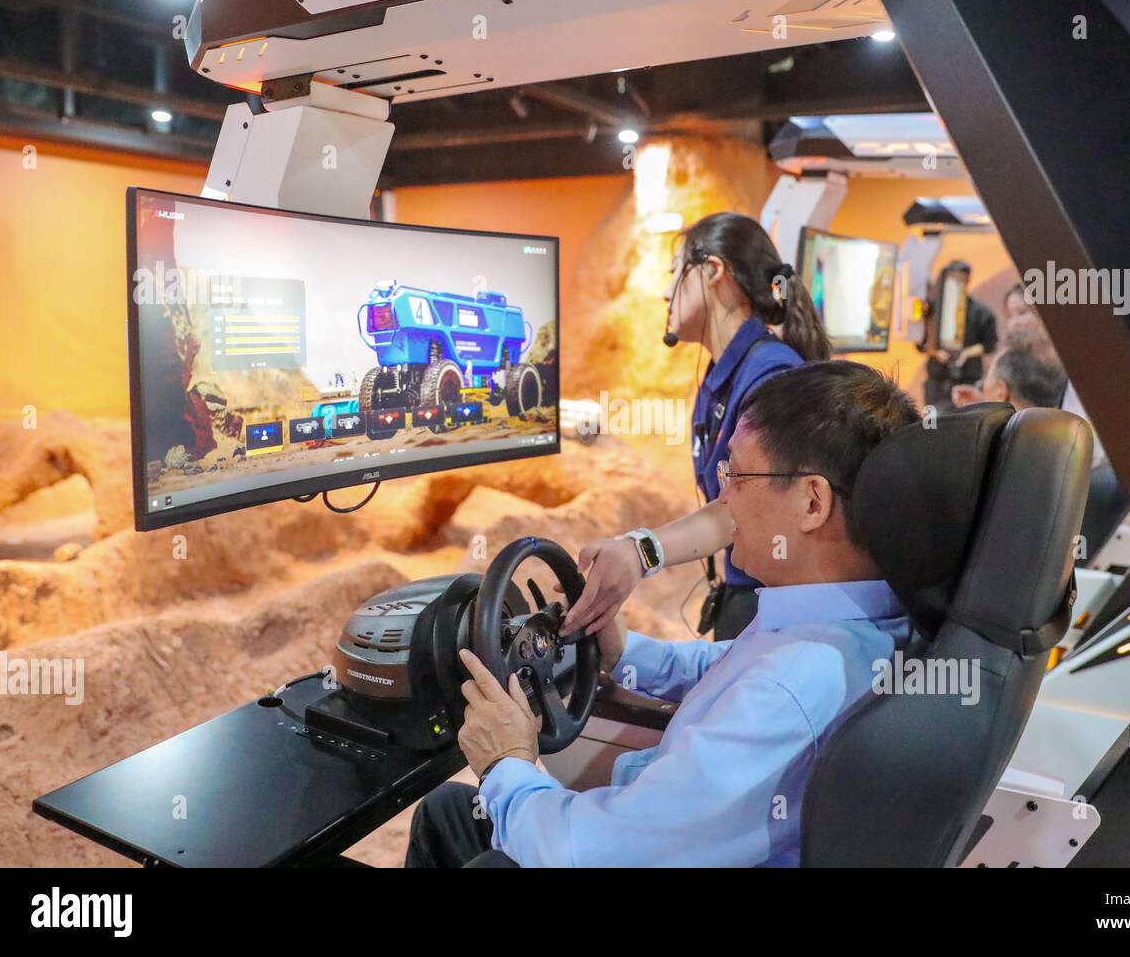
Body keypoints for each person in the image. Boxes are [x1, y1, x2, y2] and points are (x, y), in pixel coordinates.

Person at [405, 361, 920, 868]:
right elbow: (725, 670)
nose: (723, 497)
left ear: (812, 502)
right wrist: (622, 651)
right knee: (449, 811)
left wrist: (505, 761)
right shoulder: (849, 626)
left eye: (737, 474)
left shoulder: (793, 686)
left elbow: (581, 853)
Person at [563, 212, 831, 644]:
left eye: (674, 273)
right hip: (747, 598)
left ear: (712, 271)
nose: (664, 293)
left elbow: (746, 509)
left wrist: (639, 552)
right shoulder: (723, 376)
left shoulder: (769, 373)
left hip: (775, 612)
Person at [919, 263, 998, 410]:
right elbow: (921, 343)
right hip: (937, 382)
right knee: (931, 426)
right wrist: (936, 352)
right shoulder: (931, 309)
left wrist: (965, 353)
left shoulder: (981, 312)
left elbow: (989, 344)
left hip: (967, 380)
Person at [951, 340, 1068, 411]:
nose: (982, 385)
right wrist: (984, 404)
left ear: (1000, 392)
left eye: (986, 375)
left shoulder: (991, 447)